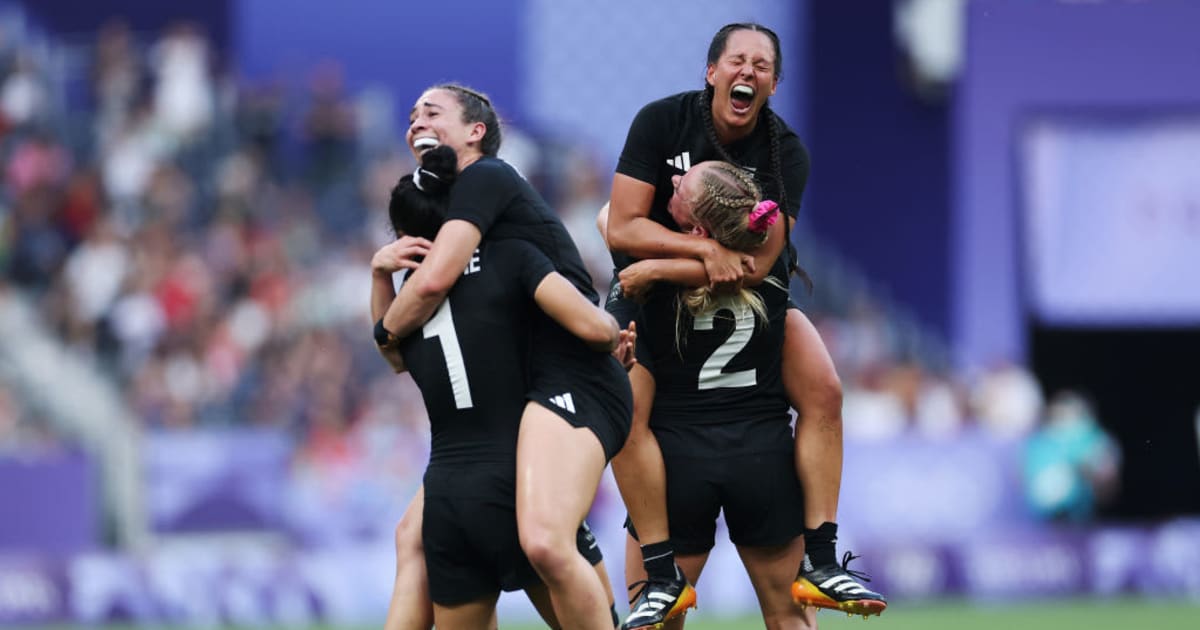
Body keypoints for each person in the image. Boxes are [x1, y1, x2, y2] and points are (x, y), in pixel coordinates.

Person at [602, 22, 886, 624]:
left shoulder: (786, 152)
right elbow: (620, 228)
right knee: (619, 409)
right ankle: (656, 565)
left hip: (736, 287)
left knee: (826, 391)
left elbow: (757, 265)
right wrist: (701, 252)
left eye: (762, 65)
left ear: (774, 84)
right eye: (737, 60)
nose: (748, 71)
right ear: (711, 72)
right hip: (657, 289)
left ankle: (822, 555)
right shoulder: (662, 121)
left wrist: (661, 268)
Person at [381, 83, 632, 630]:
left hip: (576, 375)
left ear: (476, 132)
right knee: (414, 536)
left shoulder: (487, 177)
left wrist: (384, 329)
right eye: (412, 115)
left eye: (432, 111)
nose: (416, 122)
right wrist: (384, 276)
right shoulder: (471, 233)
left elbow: (432, 284)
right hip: (532, 388)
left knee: (543, 539)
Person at [616, 160, 814, 629]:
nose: (673, 179)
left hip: (676, 465)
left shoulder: (648, 281)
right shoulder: (770, 272)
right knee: (790, 619)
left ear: (698, 229)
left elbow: (613, 220)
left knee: (653, 624)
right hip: (763, 457)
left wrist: (664, 263)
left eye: (682, 187)